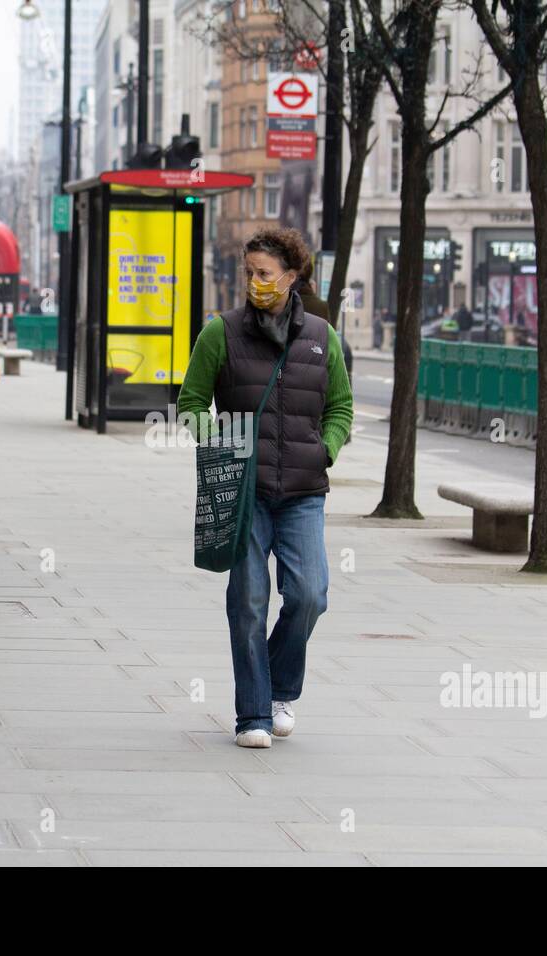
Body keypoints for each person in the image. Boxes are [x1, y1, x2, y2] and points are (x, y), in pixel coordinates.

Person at [178, 227, 354, 749]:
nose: (255, 283)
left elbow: (340, 407)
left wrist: (327, 448)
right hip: (245, 493)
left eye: (265, 274)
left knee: (309, 596)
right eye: (249, 273)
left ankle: (280, 687)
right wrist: (217, 440)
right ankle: (253, 714)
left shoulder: (323, 338)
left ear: (292, 277)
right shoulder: (221, 333)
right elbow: (191, 403)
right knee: (249, 601)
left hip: (303, 491)